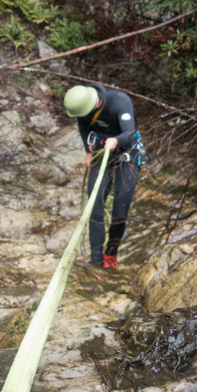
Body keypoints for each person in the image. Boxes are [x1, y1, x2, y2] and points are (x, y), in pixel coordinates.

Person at [63, 82, 146, 268]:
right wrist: (88, 152)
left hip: (128, 152)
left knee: (120, 209)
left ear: (95, 102)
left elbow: (130, 133)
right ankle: (97, 262)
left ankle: (111, 255)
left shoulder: (119, 102)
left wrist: (115, 140)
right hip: (102, 152)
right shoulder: (82, 110)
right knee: (95, 206)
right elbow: (84, 128)